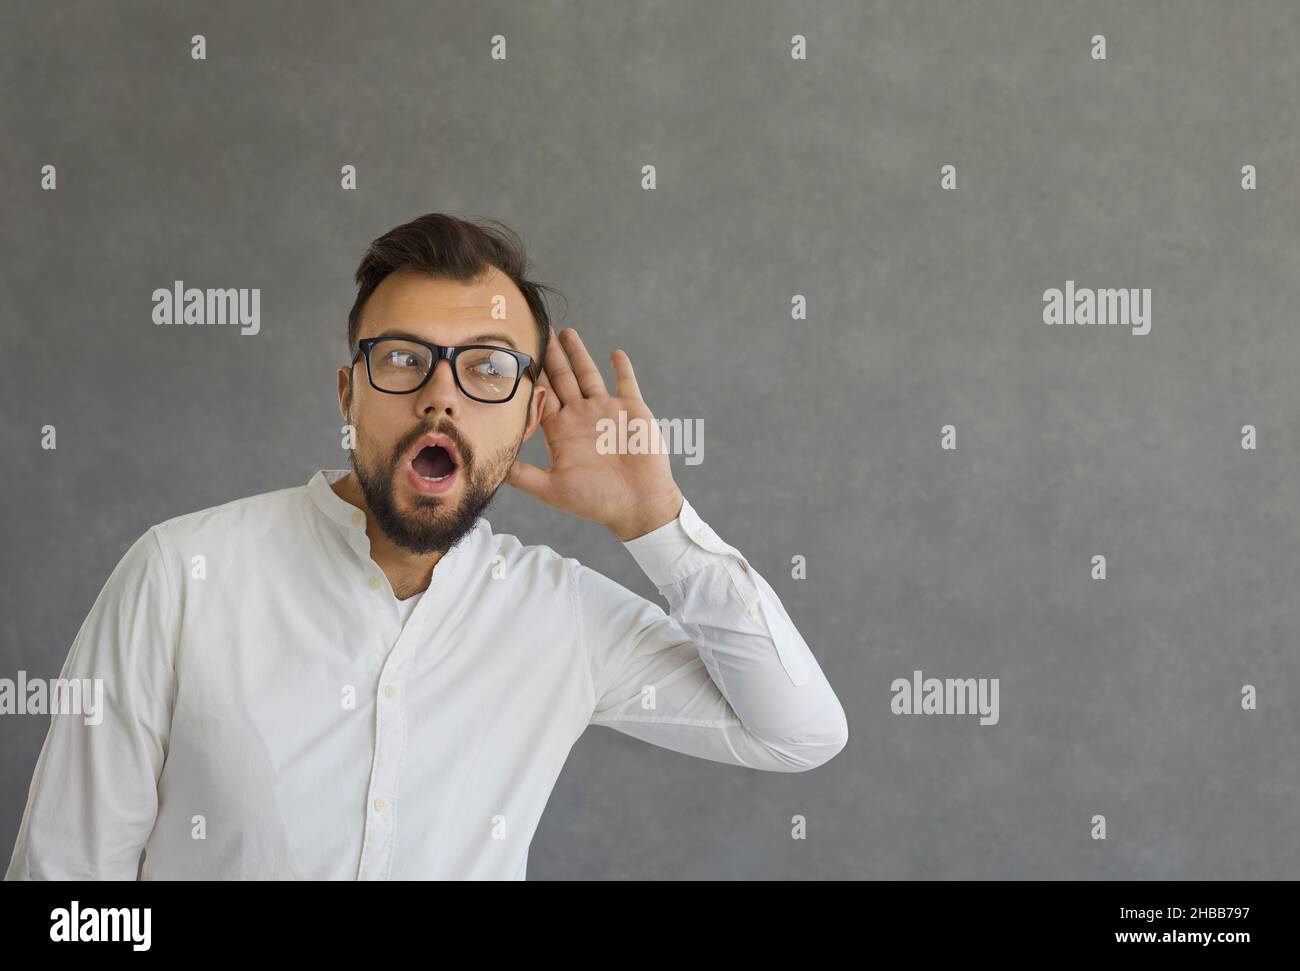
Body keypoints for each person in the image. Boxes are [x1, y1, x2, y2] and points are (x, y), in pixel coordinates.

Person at [5, 213, 848, 880]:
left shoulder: (562, 616)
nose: (440, 397)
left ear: (529, 415)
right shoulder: (180, 576)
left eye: (485, 368)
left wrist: (658, 525)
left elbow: (796, 731)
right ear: (349, 392)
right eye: (404, 358)